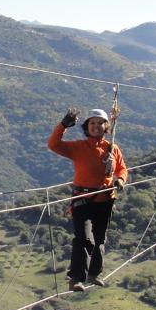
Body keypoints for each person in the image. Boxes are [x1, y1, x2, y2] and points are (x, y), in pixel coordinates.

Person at [47, 107, 128, 291]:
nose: (96, 126)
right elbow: (53, 145)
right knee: (83, 237)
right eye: (92, 123)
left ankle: (94, 274)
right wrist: (63, 125)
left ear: (106, 126)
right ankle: (76, 278)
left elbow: (121, 168)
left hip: (105, 199)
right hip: (83, 199)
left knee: (99, 239)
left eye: (100, 123)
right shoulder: (79, 147)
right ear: (87, 126)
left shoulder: (111, 148)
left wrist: (121, 179)